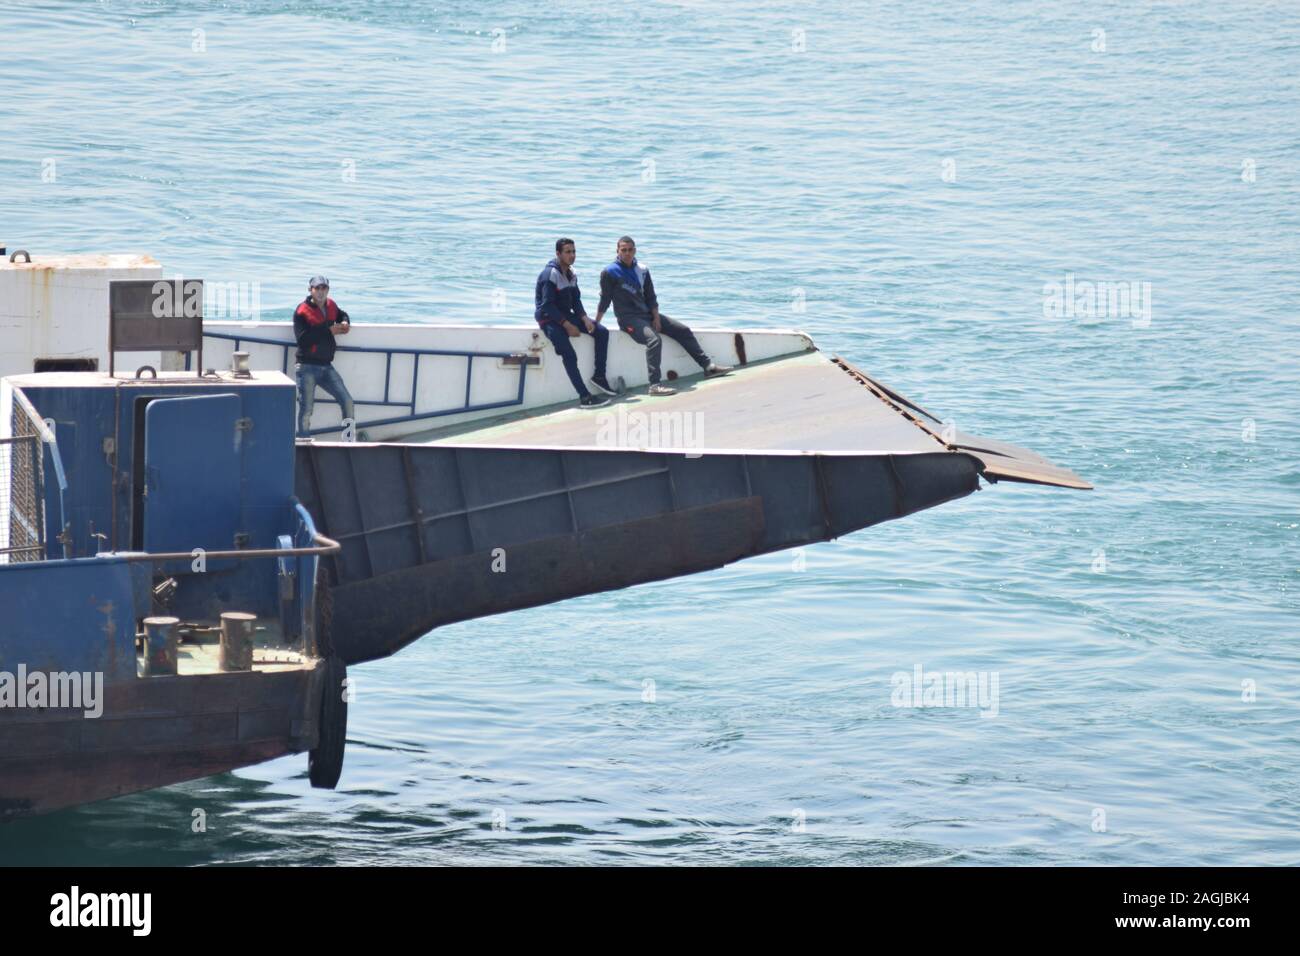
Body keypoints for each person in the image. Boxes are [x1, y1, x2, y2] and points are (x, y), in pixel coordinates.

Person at [595, 237, 730, 396]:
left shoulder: (642, 269)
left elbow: (651, 296)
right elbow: (605, 300)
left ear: (635, 250)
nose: (627, 253)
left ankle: (708, 367)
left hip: (647, 315)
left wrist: (656, 318)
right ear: (617, 251)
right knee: (654, 340)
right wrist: (596, 323)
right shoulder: (609, 272)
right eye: (623, 250)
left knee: (683, 330)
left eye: (630, 249)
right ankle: (654, 385)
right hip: (629, 320)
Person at [535, 238, 613, 408]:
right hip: (548, 318)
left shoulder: (571, 273)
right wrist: (567, 325)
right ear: (558, 254)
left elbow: (576, 300)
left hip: (565, 315)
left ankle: (599, 376)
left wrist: (584, 318)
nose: (572, 255)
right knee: (569, 354)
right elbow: (546, 305)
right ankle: (585, 397)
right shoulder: (550, 275)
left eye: (574, 251)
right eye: (568, 252)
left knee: (601, 331)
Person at [293, 275, 357, 437]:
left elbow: (342, 314)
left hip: (326, 366)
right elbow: (302, 340)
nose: (321, 292)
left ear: (328, 290)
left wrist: (344, 322)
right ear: (310, 290)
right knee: (307, 409)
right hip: (306, 366)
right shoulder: (301, 311)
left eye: (324, 288)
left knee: (347, 401)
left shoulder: (331, 306)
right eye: (317, 288)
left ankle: (349, 440)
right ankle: (304, 443)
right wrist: (327, 330)